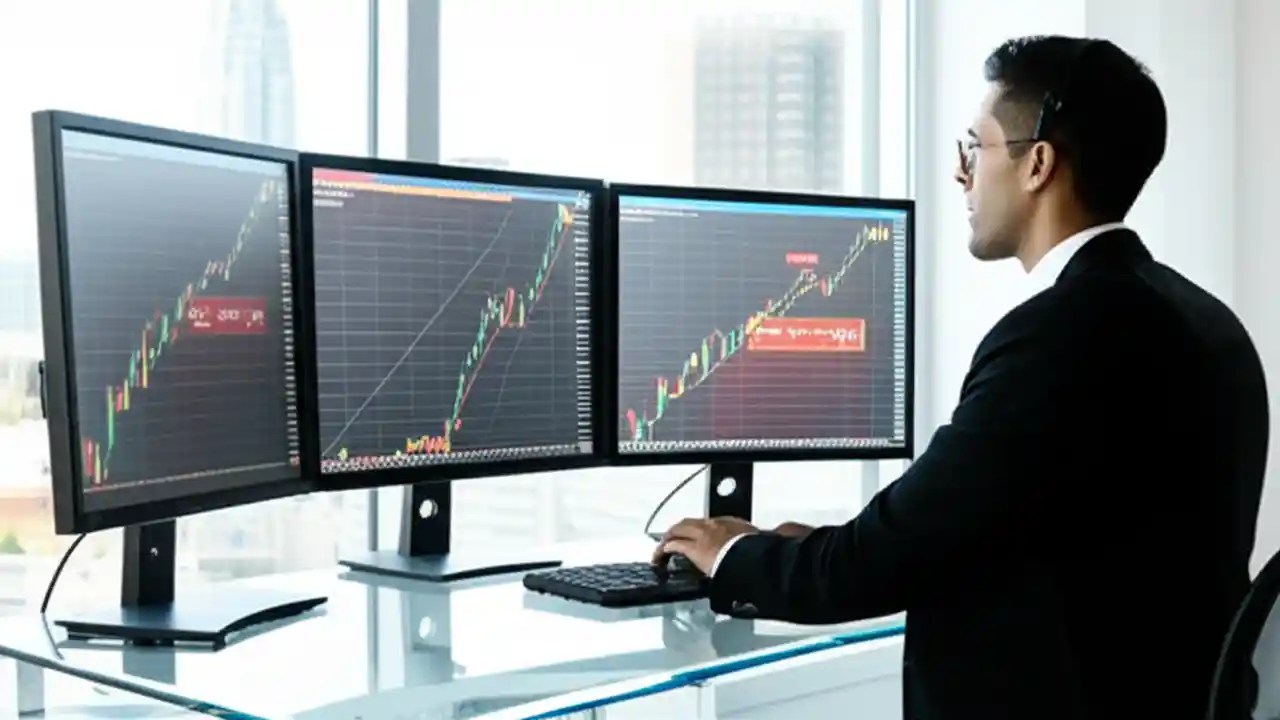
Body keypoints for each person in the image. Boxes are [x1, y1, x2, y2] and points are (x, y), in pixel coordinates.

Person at [654, 35, 1269, 719]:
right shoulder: (1206, 320)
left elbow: (869, 571)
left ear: (1037, 164)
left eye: (974, 148)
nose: (961, 174)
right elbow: (1044, 528)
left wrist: (732, 551)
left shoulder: (1061, 333)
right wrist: (822, 540)